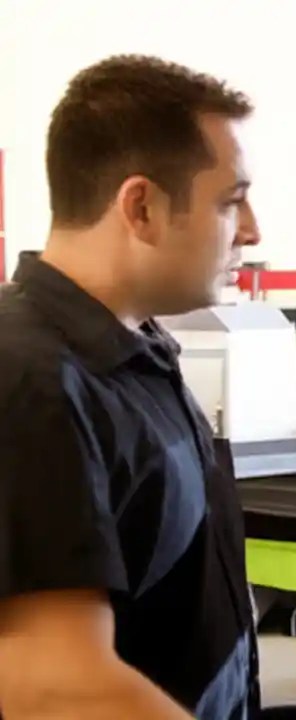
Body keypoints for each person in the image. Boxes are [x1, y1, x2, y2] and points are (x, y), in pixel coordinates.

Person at [0, 55, 261, 718]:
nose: (253, 232)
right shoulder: (31, 382)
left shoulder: (140, 351)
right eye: (231, 202)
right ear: (141, 207)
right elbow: (49, 681)